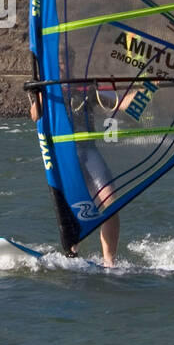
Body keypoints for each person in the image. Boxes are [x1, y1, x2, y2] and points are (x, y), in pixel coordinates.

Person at [30, 83, 136, 266]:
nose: (65, 64)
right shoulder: (50, 90)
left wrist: (149, 86)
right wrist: (40, 94)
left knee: (110, 202)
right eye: (61, 62)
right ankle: (71, 255)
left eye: (69, 59)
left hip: (89, 151)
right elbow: (35, 116)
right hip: (64, 153)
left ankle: (109, 261)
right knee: (71, 204)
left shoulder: (88, 90)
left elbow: (122, 106)